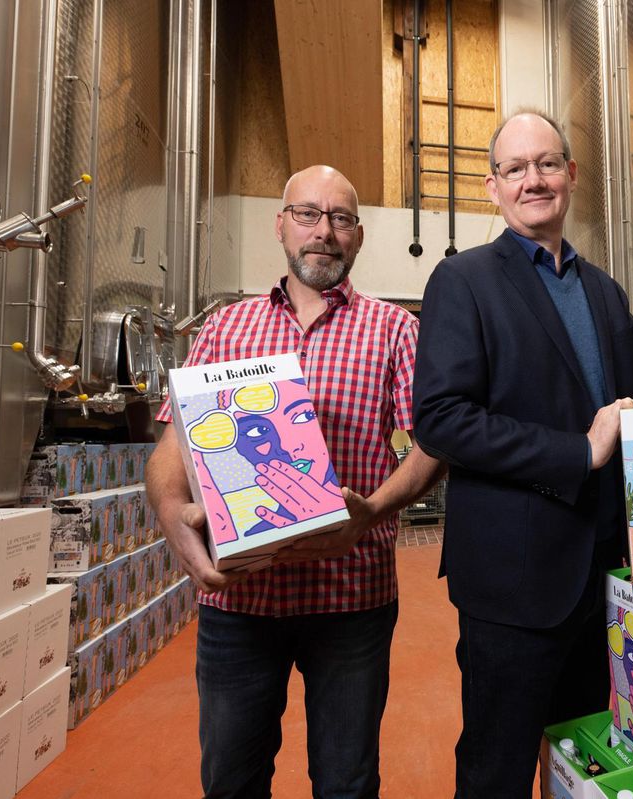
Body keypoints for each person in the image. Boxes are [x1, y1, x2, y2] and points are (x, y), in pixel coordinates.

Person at [411, 110, 633, 798]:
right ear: (493, 187)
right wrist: (579, 450)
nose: (533, 179)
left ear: (570, 175)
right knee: (497, 763)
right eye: (516, 168)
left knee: (588, 756)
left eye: (547, 163)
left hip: (609, 569)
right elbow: (440, 420)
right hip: (516, 580)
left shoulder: (601, 288)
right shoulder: (465, 280)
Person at [145, 165, 444, 799]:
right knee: (231, 780)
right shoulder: (227, 327)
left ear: (358, 236)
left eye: (339, 219)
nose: (323, 232)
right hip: (240, 601)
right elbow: (173, 447)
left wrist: (374, 510)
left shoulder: (396, 330)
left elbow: (432, 447)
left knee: (346, 782)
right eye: (307, 214)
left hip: (352, 598)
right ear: (281, 225)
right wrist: (174, 518)